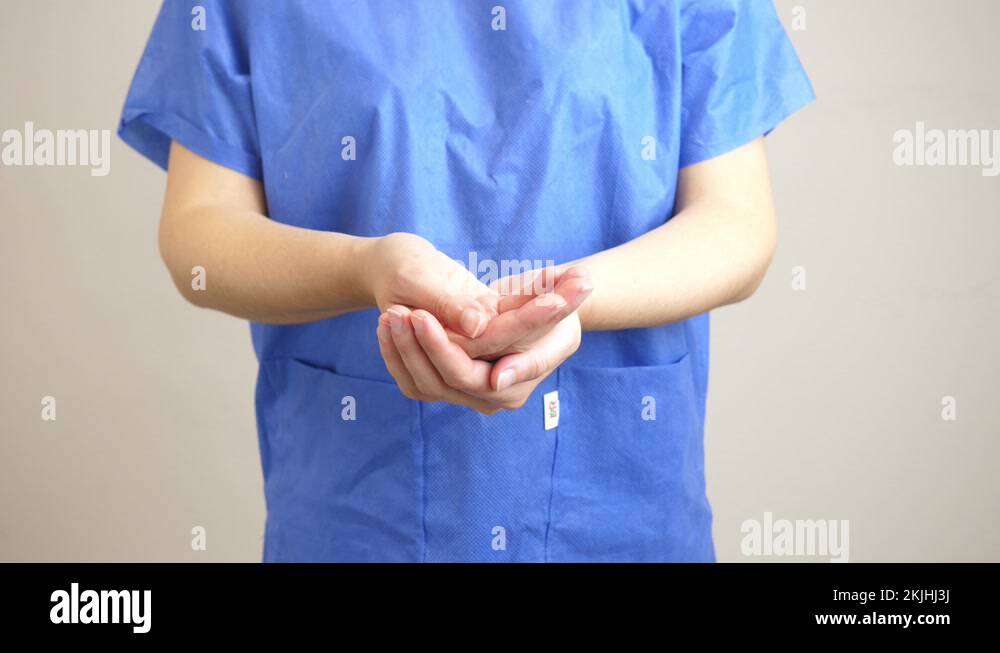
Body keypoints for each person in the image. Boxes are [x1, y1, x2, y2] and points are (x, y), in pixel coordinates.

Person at [119, 0, 814, 562]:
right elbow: (199, 232)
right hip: (357, 521)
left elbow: (738, 221)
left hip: (621, 513)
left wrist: (571, 300)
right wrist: (364, 269)